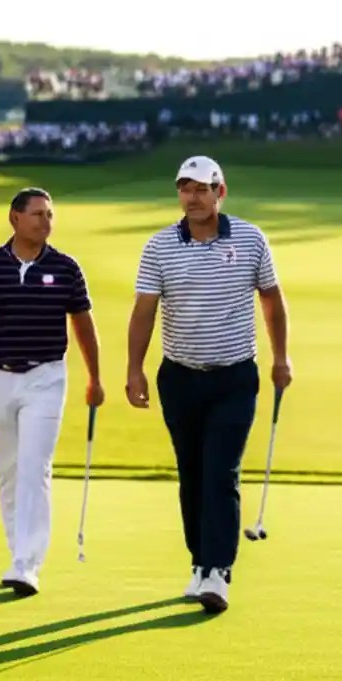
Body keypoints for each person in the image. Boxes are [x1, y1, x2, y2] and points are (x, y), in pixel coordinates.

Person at [125, 156, 292, 615]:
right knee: (192, 473)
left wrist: (281, 357)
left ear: (220, 192)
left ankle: (218, 570)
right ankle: (199, 562)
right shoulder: (159, 246)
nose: (192, 197)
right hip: (179, 377)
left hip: (234, 376)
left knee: (221, 471)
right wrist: (134, 368)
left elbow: (272, 300)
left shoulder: (251, 238)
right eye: (185, 188)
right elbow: (144, 311)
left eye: (201, 188)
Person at [0, 187, 105, 598]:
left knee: (34, 467)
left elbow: (83, 325)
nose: (46, 222)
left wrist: (95, 378)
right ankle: (18, 554)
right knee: (10, 471)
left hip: (46, 377)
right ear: (15, 218)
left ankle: (28, 564)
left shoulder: (66, 268)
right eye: (38, 214)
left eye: (50, 214)